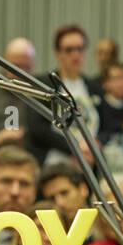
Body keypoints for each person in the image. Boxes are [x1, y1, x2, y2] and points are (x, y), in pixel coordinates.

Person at [26, 25, 100, 166]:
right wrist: (74, 147)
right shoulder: (44, 84)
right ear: (58, 53)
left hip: (90, 161)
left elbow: (106, 127)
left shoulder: (94, 87)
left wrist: (95, 144)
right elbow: (37, 128)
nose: (75, 54)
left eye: (80, 49)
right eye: (69, 50)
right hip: (55, 160)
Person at [0, 145, 40, 245]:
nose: (15, 192)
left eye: (24, 184)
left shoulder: (48, 243)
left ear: (35, 192)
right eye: (6, 181)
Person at [38, 163, 90, 227]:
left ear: (83, 189)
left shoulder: (104, 221)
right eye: (51, 198)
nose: (60, 203)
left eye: (64, 193)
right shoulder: (45, 235)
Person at [97, 63, 123, 146]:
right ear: (105, 84)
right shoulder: (97, 107)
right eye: (117, 78)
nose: (122, 83)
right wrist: (122, 126)